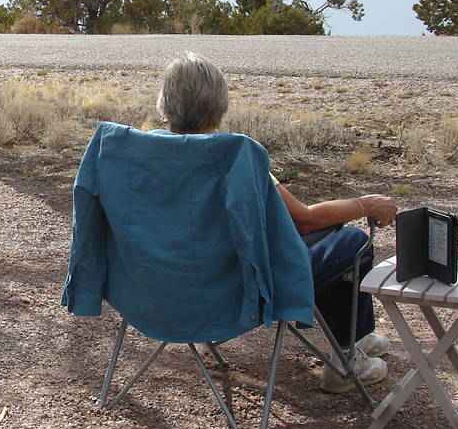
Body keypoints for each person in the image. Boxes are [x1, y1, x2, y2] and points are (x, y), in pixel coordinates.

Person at [154, 52, 396, 391]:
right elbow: (306, 220)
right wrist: (365, 203)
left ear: (165, 103)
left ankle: (358, 337)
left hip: (165, 291)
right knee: (351, 243)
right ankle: (345, 360)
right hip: (240, 292)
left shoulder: (145, 159)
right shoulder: (236, 156)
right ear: (219, 104)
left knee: (330, 234)